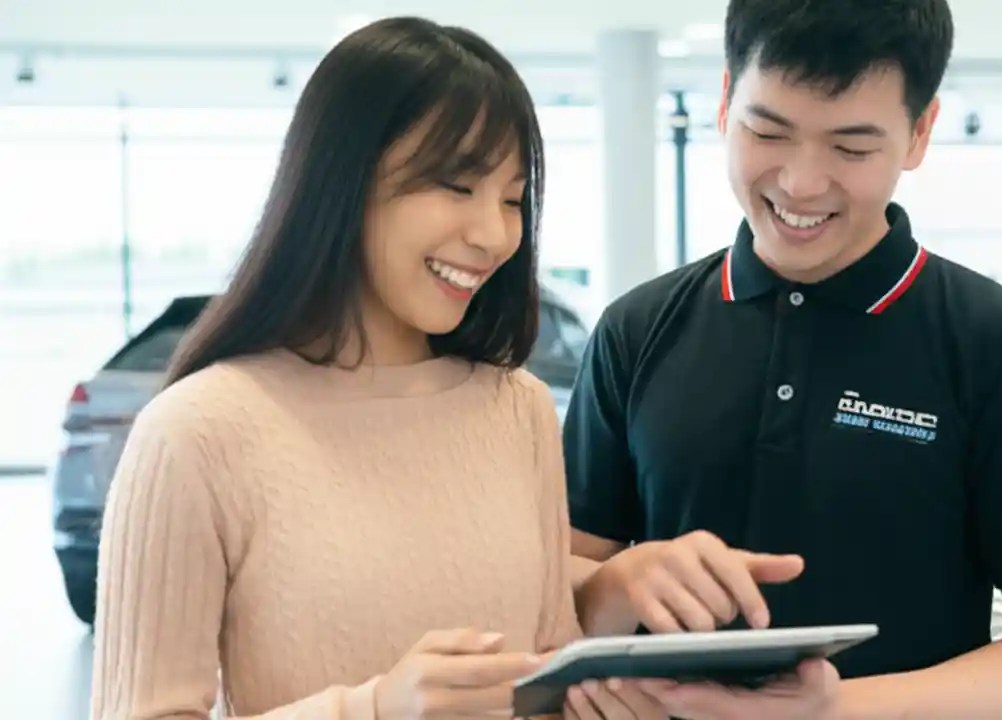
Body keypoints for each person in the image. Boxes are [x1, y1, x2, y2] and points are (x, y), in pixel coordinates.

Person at [91, 17, 659, 720]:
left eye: (513, 199)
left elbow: (542, 672)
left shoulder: (518, 409)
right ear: (343, 182)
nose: (494, 234)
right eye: (457, 186)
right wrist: (375, 709)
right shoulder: (195, 432)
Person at [565, 1, 1002, 718]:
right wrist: (613, 587)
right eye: (767, 132)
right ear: (725, 102)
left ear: (919, 133)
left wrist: (827, 712)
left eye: (851, 149)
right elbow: (559, 585)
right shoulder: (635, 330)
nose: (800, 183)